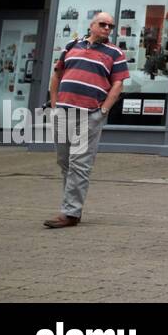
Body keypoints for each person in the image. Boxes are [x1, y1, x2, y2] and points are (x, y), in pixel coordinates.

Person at [43, 12, 129, 229]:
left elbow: (118, 85)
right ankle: (70, 207)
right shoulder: (71, 45)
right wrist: (54, 105)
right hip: (63, 112)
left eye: (111, 26)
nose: (107, 29)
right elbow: (56, 75)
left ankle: (70, 213)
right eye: (103, 24)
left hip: (88, 115)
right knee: (64, 161)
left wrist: (103, 111)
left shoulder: (115, 53)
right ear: (92, 25)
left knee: (79, 164)